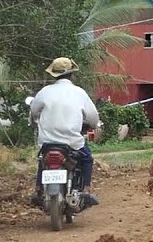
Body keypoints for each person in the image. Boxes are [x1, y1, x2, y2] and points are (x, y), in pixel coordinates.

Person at [28, 57, 100, 208]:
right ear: (72, 74)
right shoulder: (79, 93)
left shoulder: (44, 92)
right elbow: (93, 117)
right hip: (72, 143)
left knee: (42, 161)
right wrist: (94, 125)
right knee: (87, 159)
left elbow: (34, 111)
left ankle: (39, 190)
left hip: (47, 142)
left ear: (54, 74)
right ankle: (85, 190)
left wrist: (35, 120)